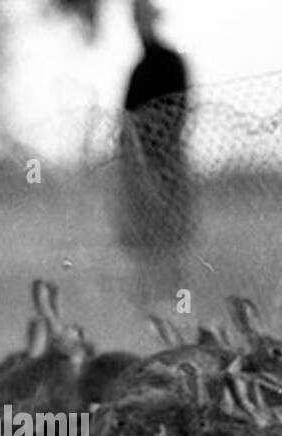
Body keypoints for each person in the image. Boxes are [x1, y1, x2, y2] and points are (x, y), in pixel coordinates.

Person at [117, 0, 194, 319]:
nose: (139, 26)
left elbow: (179, 110)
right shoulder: (138, 69)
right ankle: (147, 309)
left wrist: (159, 153)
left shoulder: (171, 61)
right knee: (145, 239)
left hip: (166, 162)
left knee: (173, 240)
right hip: (138, 166)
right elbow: (126, 117)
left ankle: (181, 306)